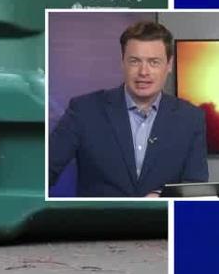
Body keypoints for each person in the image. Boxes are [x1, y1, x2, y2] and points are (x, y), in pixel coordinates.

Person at [49, 21, 208, 197]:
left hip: (161, 222)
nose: (143, 72)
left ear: (169, 65)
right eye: (134, 61)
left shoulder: (191, 118)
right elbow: (44, 171)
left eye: (154, 62)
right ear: (122, 62)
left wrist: (162, 195)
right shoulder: (84, 111)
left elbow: (196, 186)